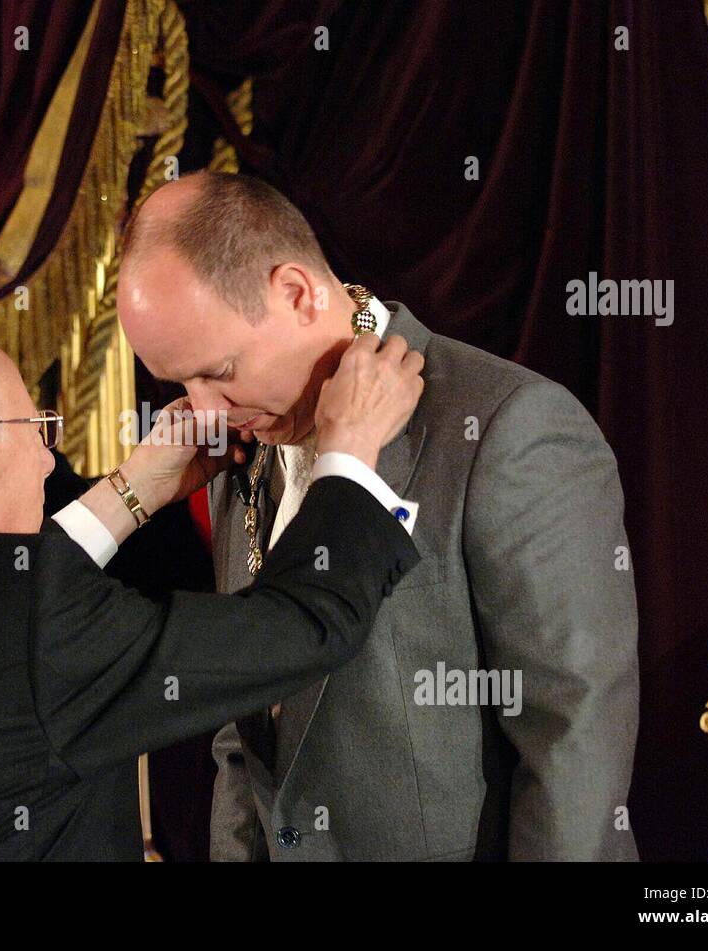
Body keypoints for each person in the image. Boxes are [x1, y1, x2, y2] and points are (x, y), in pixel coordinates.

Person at [0, 301, 423, 860]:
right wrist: (349, 452)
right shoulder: (26, 624)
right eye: (37, 428)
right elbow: (301, 626)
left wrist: (131, 492)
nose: (48, 457)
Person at [116, 171, 640, 861]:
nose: (204, 410)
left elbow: (575, 740)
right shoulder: (244, 450)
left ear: (297, 293)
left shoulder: (509, 429)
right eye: (179, 382)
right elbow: (243, 744)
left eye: (218, 370)